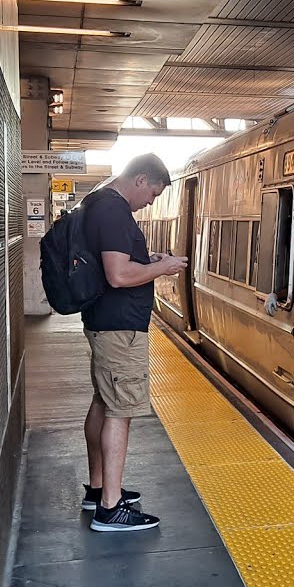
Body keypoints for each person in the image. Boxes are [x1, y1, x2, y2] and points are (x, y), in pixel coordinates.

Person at [79, 154, 188, 531]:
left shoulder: (99, 203)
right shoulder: (113, 210)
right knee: (120, 411)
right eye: (153, 194)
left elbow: (119, 264)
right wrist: (164, 267)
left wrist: (149, 260)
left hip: (106, 325)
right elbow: (119, 276)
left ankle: (98, 490)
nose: (151, 203)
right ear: (141, 180)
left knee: (104, 401)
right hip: (119, 330)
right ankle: (110, 508)